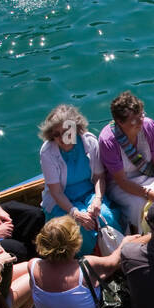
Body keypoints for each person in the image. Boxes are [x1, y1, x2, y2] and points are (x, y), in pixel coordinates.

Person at [38, 104, 120, 257]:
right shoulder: (47, 152)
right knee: (80, 226)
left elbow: (99, 177)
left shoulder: (89, 141)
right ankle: (88, 262)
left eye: (66, 131)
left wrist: (97, 199)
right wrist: (75, 213)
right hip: (62, 201)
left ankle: (114, 255)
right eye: (56, 134)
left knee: (105, 216)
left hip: (89, 193)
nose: (61, 138)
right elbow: (55, 192)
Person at [28, 216, 124, 308]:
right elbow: (114, 262)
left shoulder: (33, 266)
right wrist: (126, 241)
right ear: (75, 241)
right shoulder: (87, 265)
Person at [97, 91, 154, 230]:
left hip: (148, 175)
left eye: (141, 115)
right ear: (120, 122)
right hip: (121, 184)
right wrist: (149, 194)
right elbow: (121, 181)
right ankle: (138, 233)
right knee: (138, 205)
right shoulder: (108, 141)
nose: (141, 122)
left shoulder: (149, 126)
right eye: (134, 120)